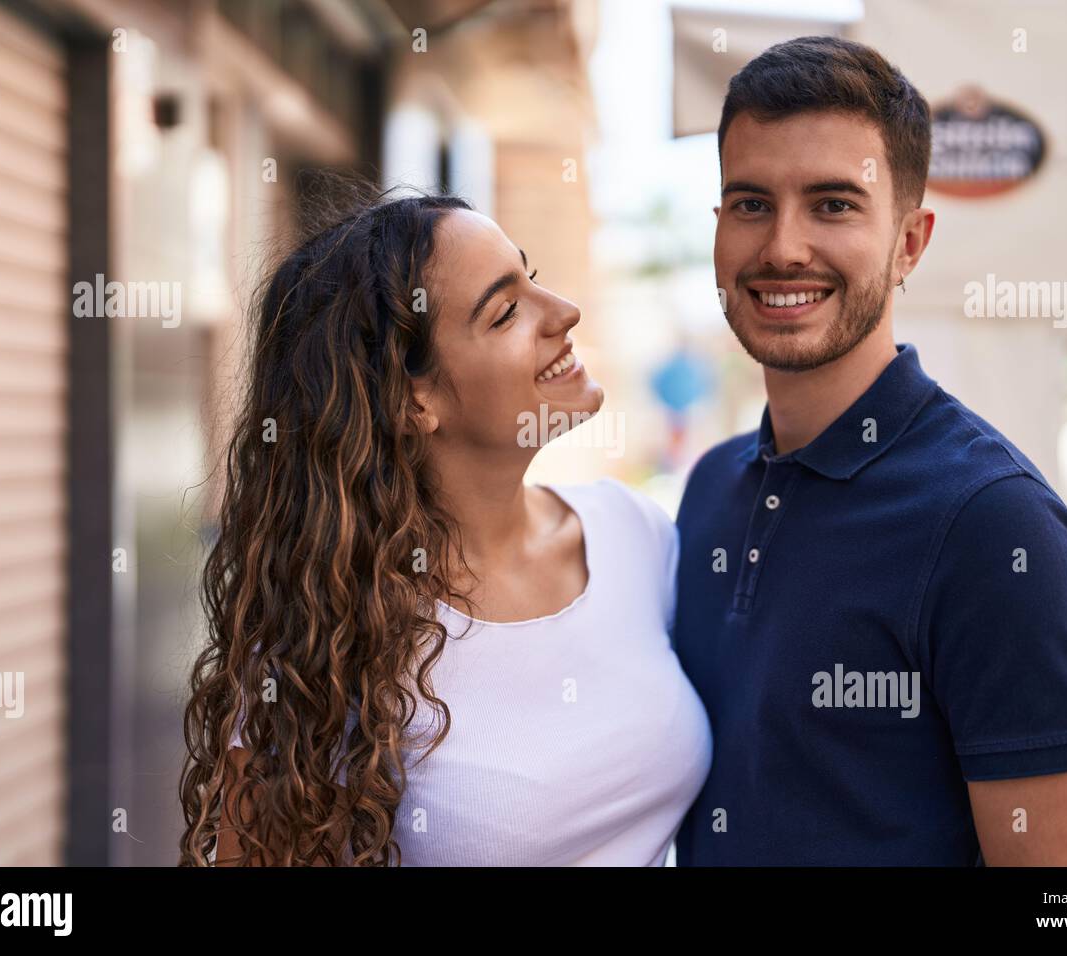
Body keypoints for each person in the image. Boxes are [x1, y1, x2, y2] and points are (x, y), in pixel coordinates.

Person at [671, 36, 1067, 866]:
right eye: (751, 203)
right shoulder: (707, 491)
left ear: (910, 243)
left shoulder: (996, 527)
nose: (783, 248)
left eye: (834, 204)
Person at [179, 187, 712, 866]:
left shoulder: (635, 534)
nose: (565, 313)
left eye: (533, 279)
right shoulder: (330, 636)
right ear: (413, 399)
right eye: (507, 311)